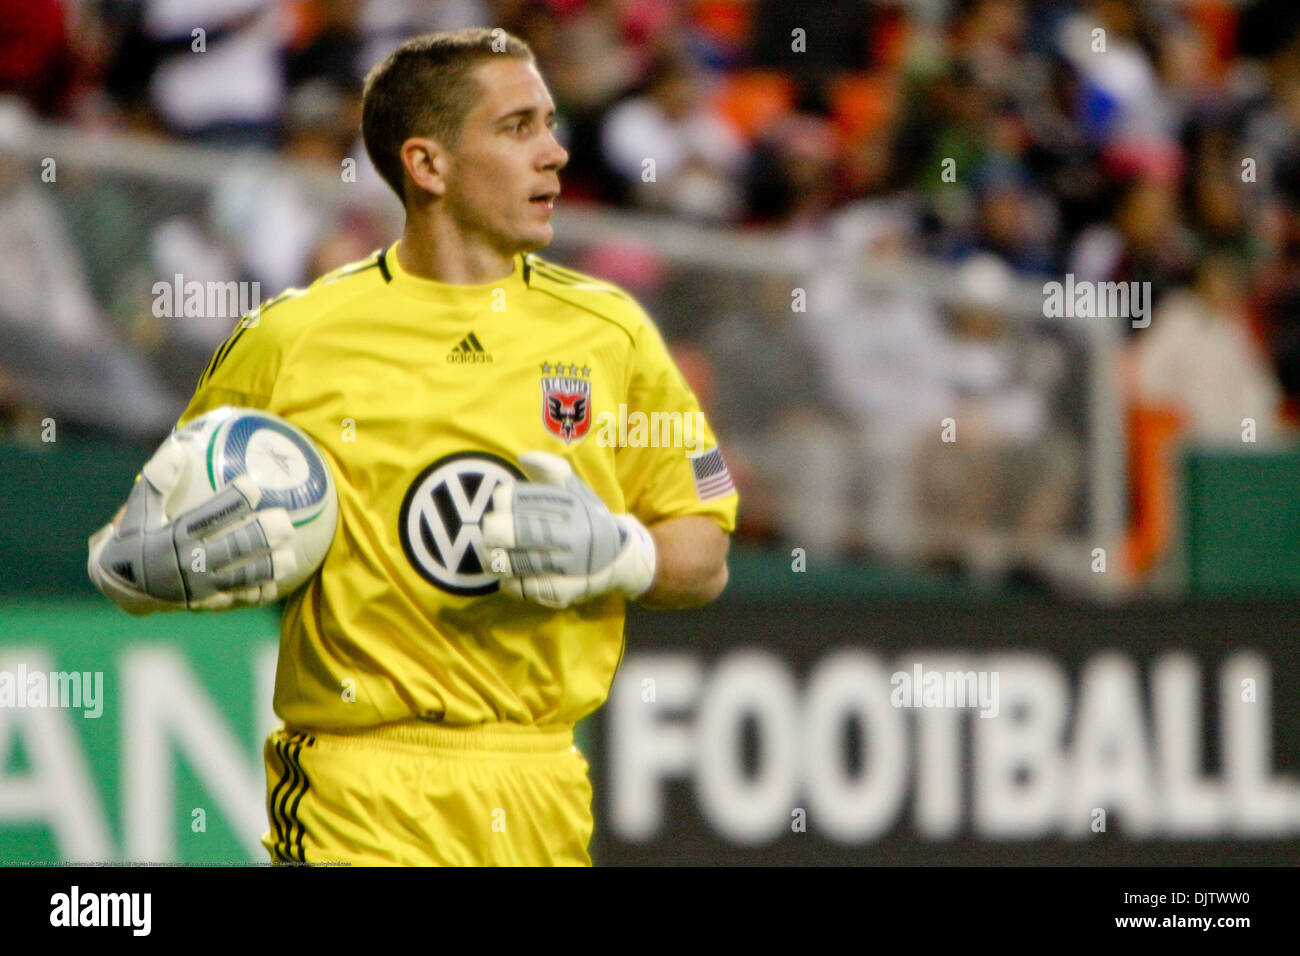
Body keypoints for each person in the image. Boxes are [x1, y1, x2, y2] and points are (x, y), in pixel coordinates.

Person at [86, 28, 736, 866]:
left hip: (540, 784)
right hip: (357, 791)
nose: (556, 154)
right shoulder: (293, 339)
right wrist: (136, 568)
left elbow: (706, 552)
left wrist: (625, 552)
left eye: (550, 122)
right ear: (426, 166)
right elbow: (140, 536)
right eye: (517, 128)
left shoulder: (613, 336)